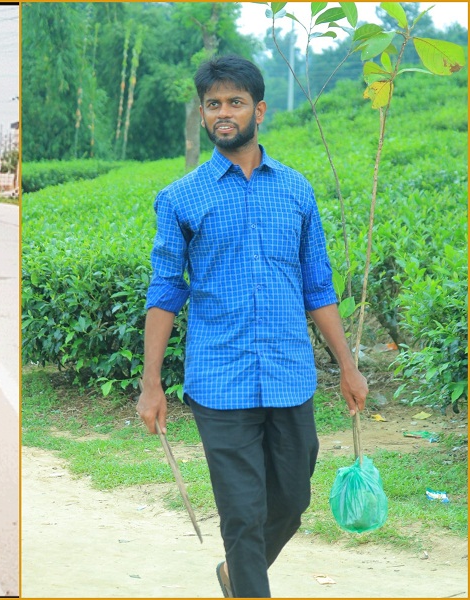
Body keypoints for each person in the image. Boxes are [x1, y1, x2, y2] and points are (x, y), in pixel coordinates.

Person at [136, 56, 368, 598]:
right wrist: (151, 383)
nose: (223, 112)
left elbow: (318, 287)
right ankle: (248, 582)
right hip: (220, 379)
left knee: (292, 500)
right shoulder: (180, 199)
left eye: (235, 102)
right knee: (241, 514)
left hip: (289, 373)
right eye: (213, 104)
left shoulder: (296, 190)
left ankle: (236, 574)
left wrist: (348, 367)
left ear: (258, 110)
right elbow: (166, 291)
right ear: (202, 114)